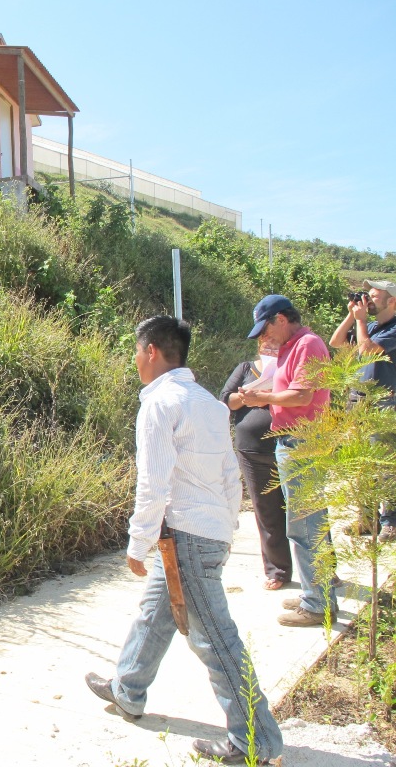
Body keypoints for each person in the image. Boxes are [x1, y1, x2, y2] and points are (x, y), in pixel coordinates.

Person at [85, 316, 283, 765]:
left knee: (215, 640)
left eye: (137, 352)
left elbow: (153, 483)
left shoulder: (160, 404)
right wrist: (227, 527)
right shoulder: (210, 405)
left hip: (186, 537)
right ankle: (127, 689)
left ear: (151, 351)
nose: (136, 360)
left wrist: (137, 543)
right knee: (154, 614)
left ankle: (256, 739)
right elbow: (230, 474)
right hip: (203, 533)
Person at [238, 295, 336, 627]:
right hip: (293, 440)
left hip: (302, 440)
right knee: (308, 522)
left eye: (265, 330)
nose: (263, 338)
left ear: (281, 319)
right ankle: (317, 590)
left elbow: (302, 395)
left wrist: (262, 397)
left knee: (305, 525)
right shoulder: (292, 346)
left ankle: (317, 602)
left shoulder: (307, 343)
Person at [220, 336, 293, 589]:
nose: (271, 348)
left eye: (276, 343)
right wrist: (246, 397)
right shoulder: (245, 369)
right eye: (266, 344)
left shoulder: (290, 367)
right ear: (259, 346)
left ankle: (321, 571)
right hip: (252, 451)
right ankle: (278, 571)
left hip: (288, 447)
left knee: (303, 510)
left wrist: (270, 397)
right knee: (267, 511)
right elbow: (225, 399)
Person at [328, 279, 396, 542]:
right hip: (359, 398)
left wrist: (361, 321)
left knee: (385, 463)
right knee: (361, 460)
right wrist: (352, 315)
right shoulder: (369, 326)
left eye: (375, 296)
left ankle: (390, 522)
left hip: (383, 401)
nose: (369, 299)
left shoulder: (391, 328)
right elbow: (336, 342)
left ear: (391, 301)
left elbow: (367, 351)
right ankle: (367, 519)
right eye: (367, 295)